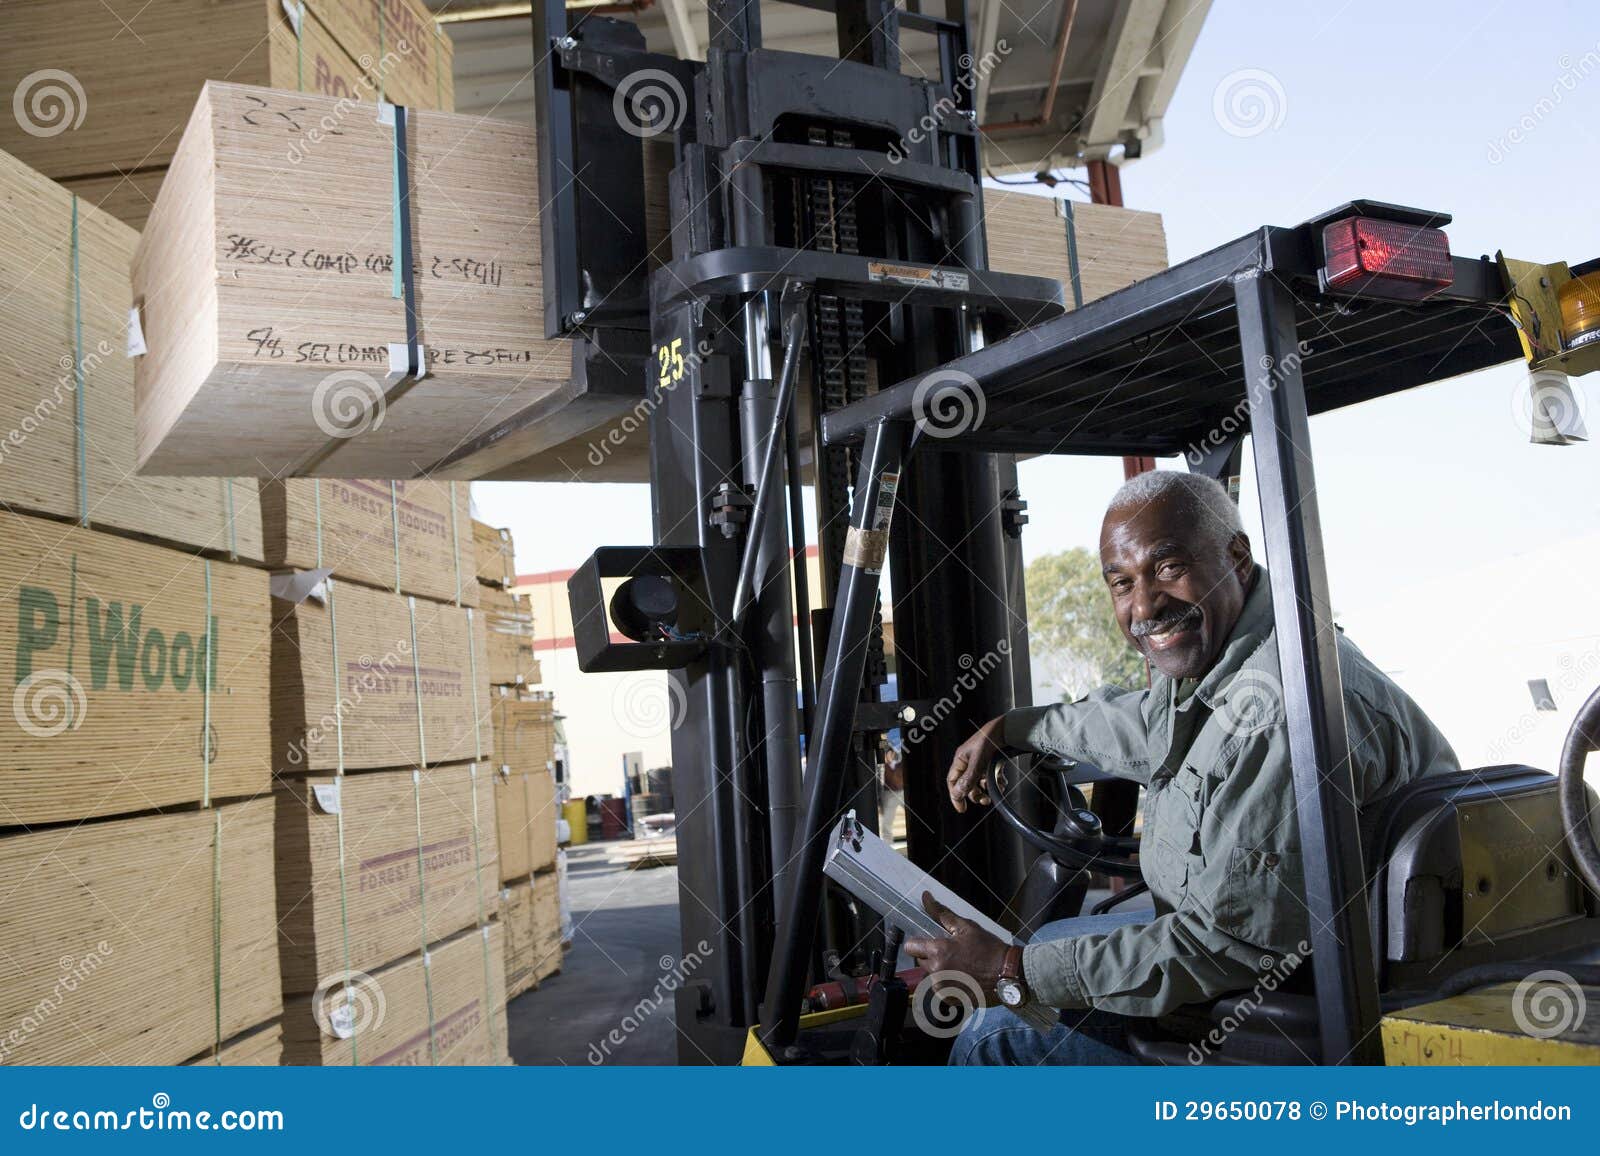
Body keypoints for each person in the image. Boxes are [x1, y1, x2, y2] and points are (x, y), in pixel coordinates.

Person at [903, 470, 1459, 1065]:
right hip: (1284, 967)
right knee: (1050, 940)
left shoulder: (1277, 713)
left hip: (1285, 1015)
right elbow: (1141, 727)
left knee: (995, 1033)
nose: (1143, 606)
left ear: (1236, 557)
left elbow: (1221, 947)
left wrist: (1009, 970)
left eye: (1168, 569)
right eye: (1122, 583)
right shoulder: (1226, 658)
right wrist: (1018, 727)